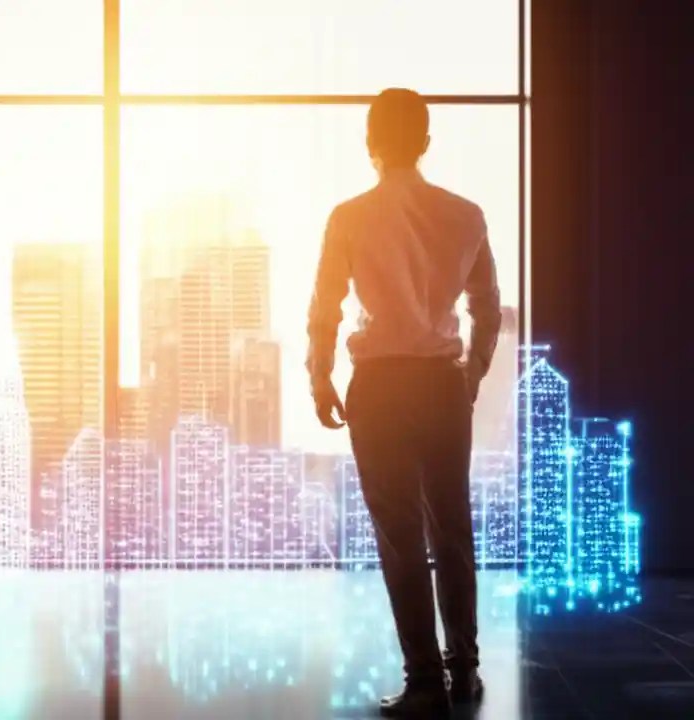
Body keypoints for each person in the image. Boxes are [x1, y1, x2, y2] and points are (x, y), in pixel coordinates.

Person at [306, 88, 501, 717]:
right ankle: (463, 669)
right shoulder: (467, 216)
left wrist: (320, 377)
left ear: (370, 144)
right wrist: (472, 373)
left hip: (380, 387)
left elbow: (325, 308)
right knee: (453, 529)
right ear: (425, 143)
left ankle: (424, 682)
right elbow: (487, 308)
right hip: (442, 384)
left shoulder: (348, 217)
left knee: (401, 538)